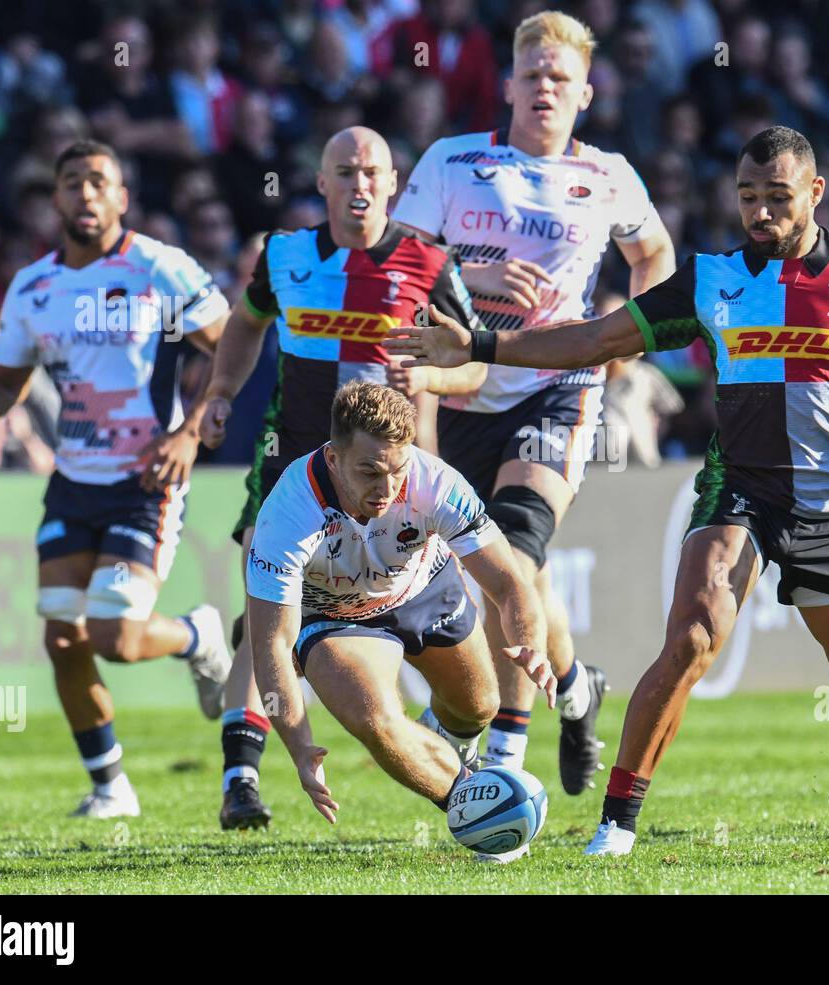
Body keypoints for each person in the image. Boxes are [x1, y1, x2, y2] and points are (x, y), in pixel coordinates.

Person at [387, 125, 829, 856]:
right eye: (747, 197)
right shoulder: (711, 278)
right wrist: (483, 343)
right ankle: (616, 824)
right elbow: (595, 339)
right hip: (735, 496)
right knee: (690, 640)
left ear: (816, 193)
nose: (761, 214)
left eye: (777, 197)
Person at [392, 10, 676, 793]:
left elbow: (653, 251)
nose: (545, 88)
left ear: (585, 93)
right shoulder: (453, 163)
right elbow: (399, 264)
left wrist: (625, 335)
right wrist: (475, 280)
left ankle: (505, 759)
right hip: (458, 389)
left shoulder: (607, 174)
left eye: (562, 78)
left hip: (556, 387)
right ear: (510, 84)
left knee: (514, 558)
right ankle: (578, 689)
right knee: (507, 579)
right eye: (534, 75)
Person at [197, 125, 487, 830]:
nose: (359, 184)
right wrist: (220, 391)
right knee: (259, 609)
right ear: (322, 183)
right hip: (292, 464)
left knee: (462, 687)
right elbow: (244, 324)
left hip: (392, 485)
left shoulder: (427, 260)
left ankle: (446, 733)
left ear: (393, 183)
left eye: (372, 172)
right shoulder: (286, 255)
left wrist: (434, 374)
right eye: (344, 172)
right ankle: (241, 775)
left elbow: (477, 366)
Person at [0, 140, 234, 818]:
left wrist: (190, 432)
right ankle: (111, 786)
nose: (85, 194)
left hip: (146, 479)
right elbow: (8, 381)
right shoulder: (34, 287)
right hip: (73, 480)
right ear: (56, 198)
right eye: (71, 182)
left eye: (98, 181)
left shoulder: (160, 269)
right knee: (61, 633)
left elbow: (233, 346)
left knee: (115, 634)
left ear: (122, 196)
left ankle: (200, 636)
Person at [247, 381, 554, 862]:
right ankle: (478, 811)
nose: (386, 489)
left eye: (397, 470)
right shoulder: (287, 513)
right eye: (369, 471)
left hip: (424, 588)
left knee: (479, 708)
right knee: (376, 718)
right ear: (333, 458)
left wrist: (530, 643)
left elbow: (511, 585)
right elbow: (271, 645)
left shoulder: (437, 484)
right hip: (333, 614)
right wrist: (298, 744)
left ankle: (449, 746)